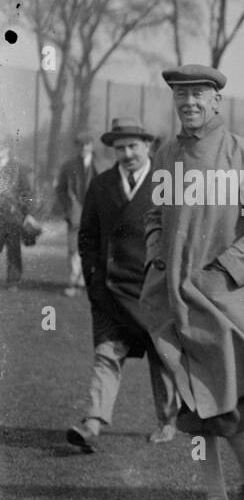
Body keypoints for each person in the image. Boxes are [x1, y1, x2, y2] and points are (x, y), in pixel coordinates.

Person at [138, 64, 244, 500]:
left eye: (198, 95)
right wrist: (156, 257)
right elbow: (154, 215)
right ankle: (215, 499)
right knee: (194, 405)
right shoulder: (166, 155)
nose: (189, 103)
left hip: (224, 301)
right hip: (173, 302)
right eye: (181, 95)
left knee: (222, 401)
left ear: (217, 102)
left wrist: (225, 270)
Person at [67, 118, 178, 452]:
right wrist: (93, 281)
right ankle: (92, 423)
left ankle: (168, 421)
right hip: (110, 291)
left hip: (153, 289)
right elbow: (86, 237)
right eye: (120, 148)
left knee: (163, 359)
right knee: (106, 355)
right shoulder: (101, 186)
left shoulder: (165, 186)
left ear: (147, 147)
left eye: (133, 146)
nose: (127, 154)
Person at [55, 131, 97, 296]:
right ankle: (73, 283)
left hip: (95, 213)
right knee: (73, 248)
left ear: (92, 145)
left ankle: (86, 282)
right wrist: (67, 206)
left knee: (93, 247)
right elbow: (60, 189)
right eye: (80, 145)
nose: (83, 148)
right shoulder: (68, 166)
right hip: (75, 212)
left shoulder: (101, 165)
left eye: (86, 144)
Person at [0, 142, 37, 291]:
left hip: (12, 215)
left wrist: (28, 213)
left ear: (7, 149)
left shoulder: (18, 168)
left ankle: (13, 281)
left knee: (13, 249)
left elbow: (27, 192)